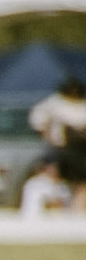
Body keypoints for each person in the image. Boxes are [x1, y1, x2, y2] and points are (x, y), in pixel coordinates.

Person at [28, 76, 86, 207]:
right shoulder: (55, 103)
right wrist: (46, 134)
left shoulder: (82, 105)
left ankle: (75, 207)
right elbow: (37, 119)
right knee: (53, 178)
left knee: (80, 182)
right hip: (59, 147)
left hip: (80, 149)